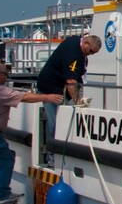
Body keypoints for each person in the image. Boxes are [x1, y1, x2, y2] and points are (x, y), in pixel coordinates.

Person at [0, 63, 63, 204]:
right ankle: (4, 193)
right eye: (5, 74)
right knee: (7, 159)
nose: (7, 77)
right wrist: (48, 97)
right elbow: (24, 97)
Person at [36, 33, 102, 164]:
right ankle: (52, 157)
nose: (90, 54)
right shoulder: (73, 52)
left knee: (66, 119)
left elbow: (77, 78)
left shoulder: (78, 45)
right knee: (54, 124)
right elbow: (71, 81)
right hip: (50, 88)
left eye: (93, 53)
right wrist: (79, 103)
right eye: (90, 51)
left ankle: (69, 148)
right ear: (86, 44)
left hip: (61, 88)